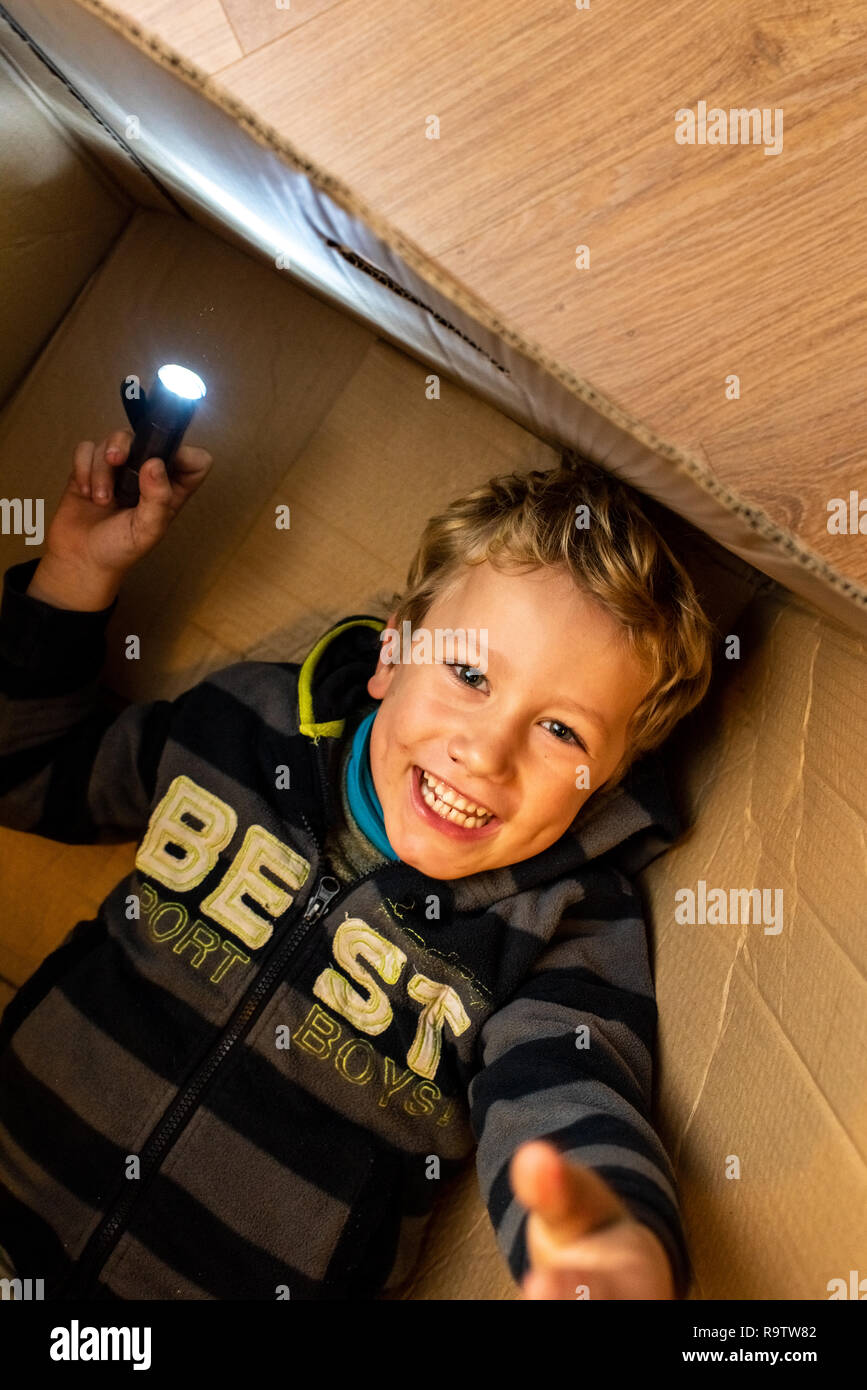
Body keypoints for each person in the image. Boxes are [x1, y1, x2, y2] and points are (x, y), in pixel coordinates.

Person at [0, 430, 714, 1300]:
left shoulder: (561, 921)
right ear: (391, 653)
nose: (484, 753)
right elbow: (29, 774)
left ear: (601, 786)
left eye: (560, 730)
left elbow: (566, 1098)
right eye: (467, 673)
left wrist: (602, 1241)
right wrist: (73, 574)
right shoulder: (241, 723)